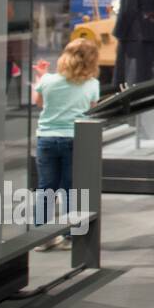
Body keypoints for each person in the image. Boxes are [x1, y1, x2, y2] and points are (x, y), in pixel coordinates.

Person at [31, 39, 101, 250]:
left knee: (46, 188)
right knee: (71, 188)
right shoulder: (92, 84)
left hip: (47, 139)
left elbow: (39, 102)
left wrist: (41, 78)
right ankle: (71, 235)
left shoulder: (49, 80)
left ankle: (43, 237)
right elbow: (92, 108)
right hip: (76, 139)